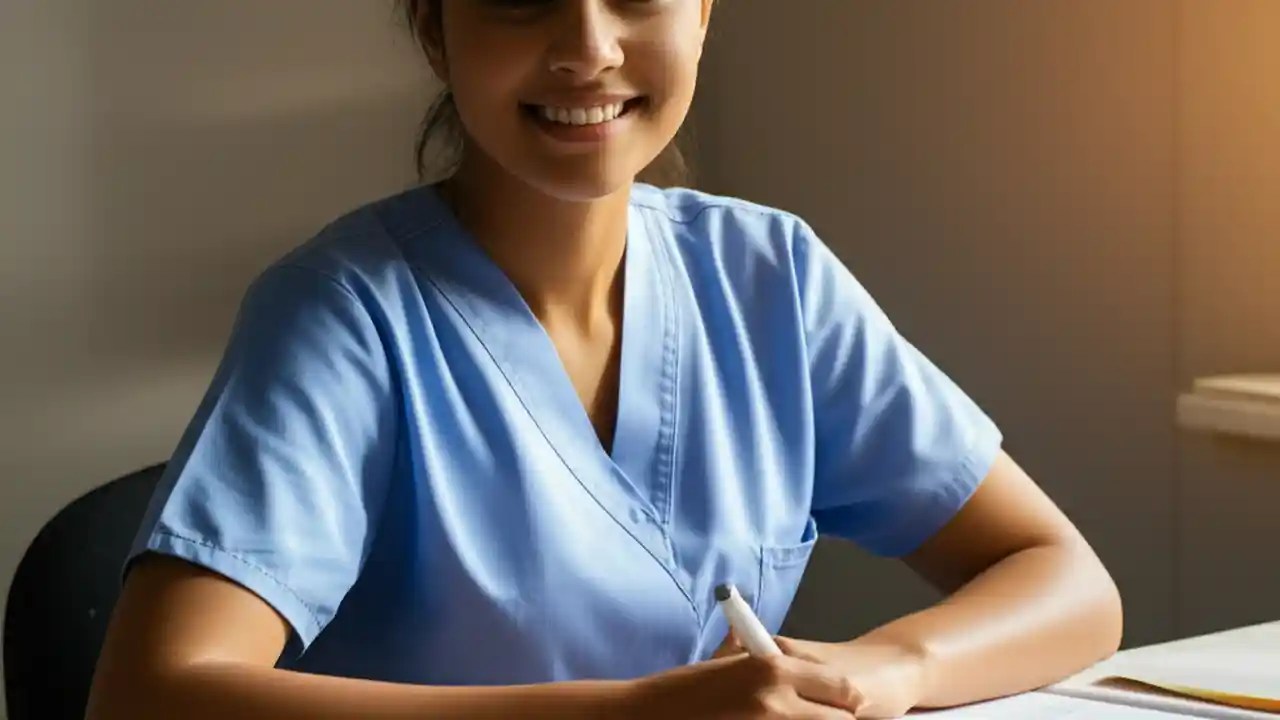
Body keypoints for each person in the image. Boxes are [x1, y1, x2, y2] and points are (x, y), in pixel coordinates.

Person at [86, 1, 1123, 718]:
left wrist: (882, 670)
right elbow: (149, 697)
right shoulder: (345, 317)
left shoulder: (768, 277)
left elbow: (1067, 582)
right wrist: (625, 716)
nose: (586, 48)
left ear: (703, 11)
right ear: (432, 28)